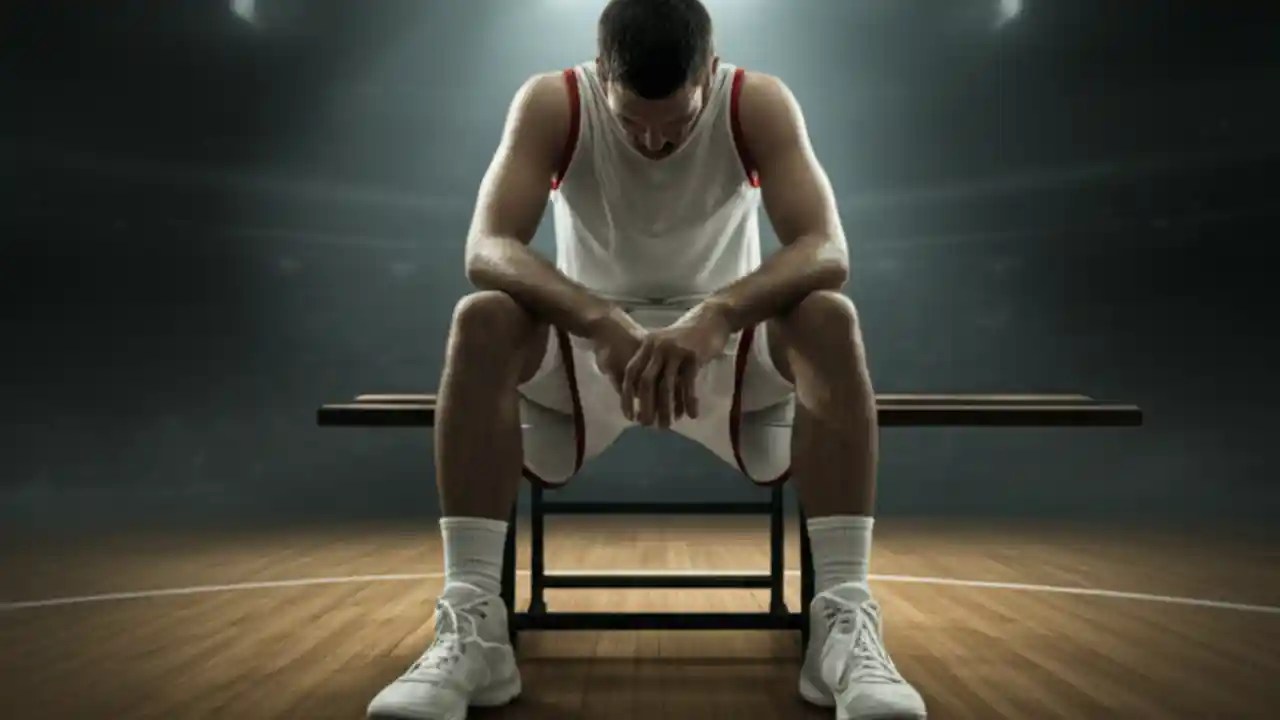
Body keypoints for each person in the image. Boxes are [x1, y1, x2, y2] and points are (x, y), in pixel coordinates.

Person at [367, 1, 927, 718]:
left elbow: (826, 247)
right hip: (591, 352)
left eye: (677, 123)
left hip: (721, 355)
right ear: (601, 74)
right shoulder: (553, 101)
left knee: (828, 316)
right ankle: (475, 626)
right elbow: (487, 247)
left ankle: (842, 627)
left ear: (711, 73)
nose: (654, 143)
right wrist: (600, 319)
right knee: (481, 318)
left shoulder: (756, 101)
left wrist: (718, 314)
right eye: (633, 123)